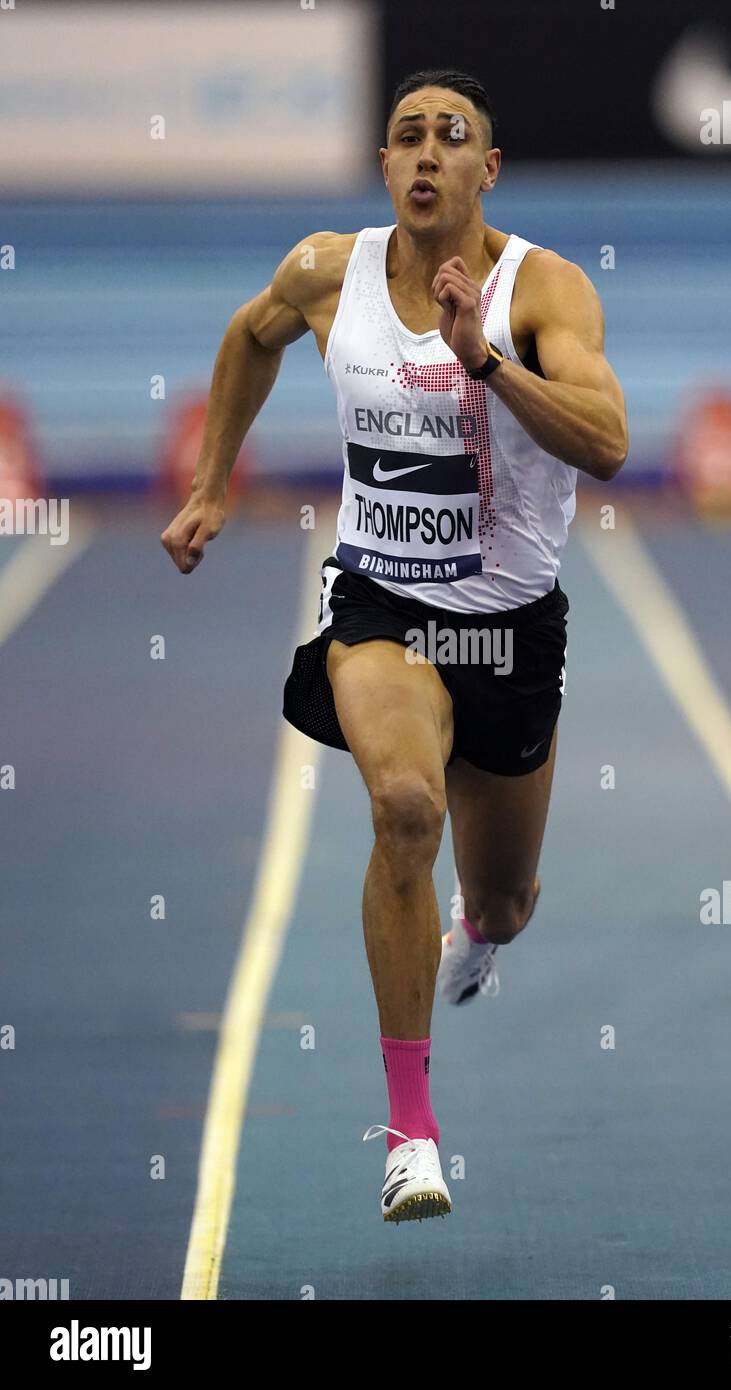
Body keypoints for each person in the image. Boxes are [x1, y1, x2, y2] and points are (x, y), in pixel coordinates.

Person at [161, 69, 628, 1224]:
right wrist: (213, 480)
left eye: (451, 136)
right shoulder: (330, 271)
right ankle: (412, 1134)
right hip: (382, 608)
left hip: (512, 630)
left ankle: (478, 931)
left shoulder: (542, 289)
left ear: (488, 170)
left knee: (508, 897)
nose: (426, 153)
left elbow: (612, 440)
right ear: (386, 169)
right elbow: (248, 334)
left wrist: (485, 360)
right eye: (406, 136)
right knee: (405, 806)